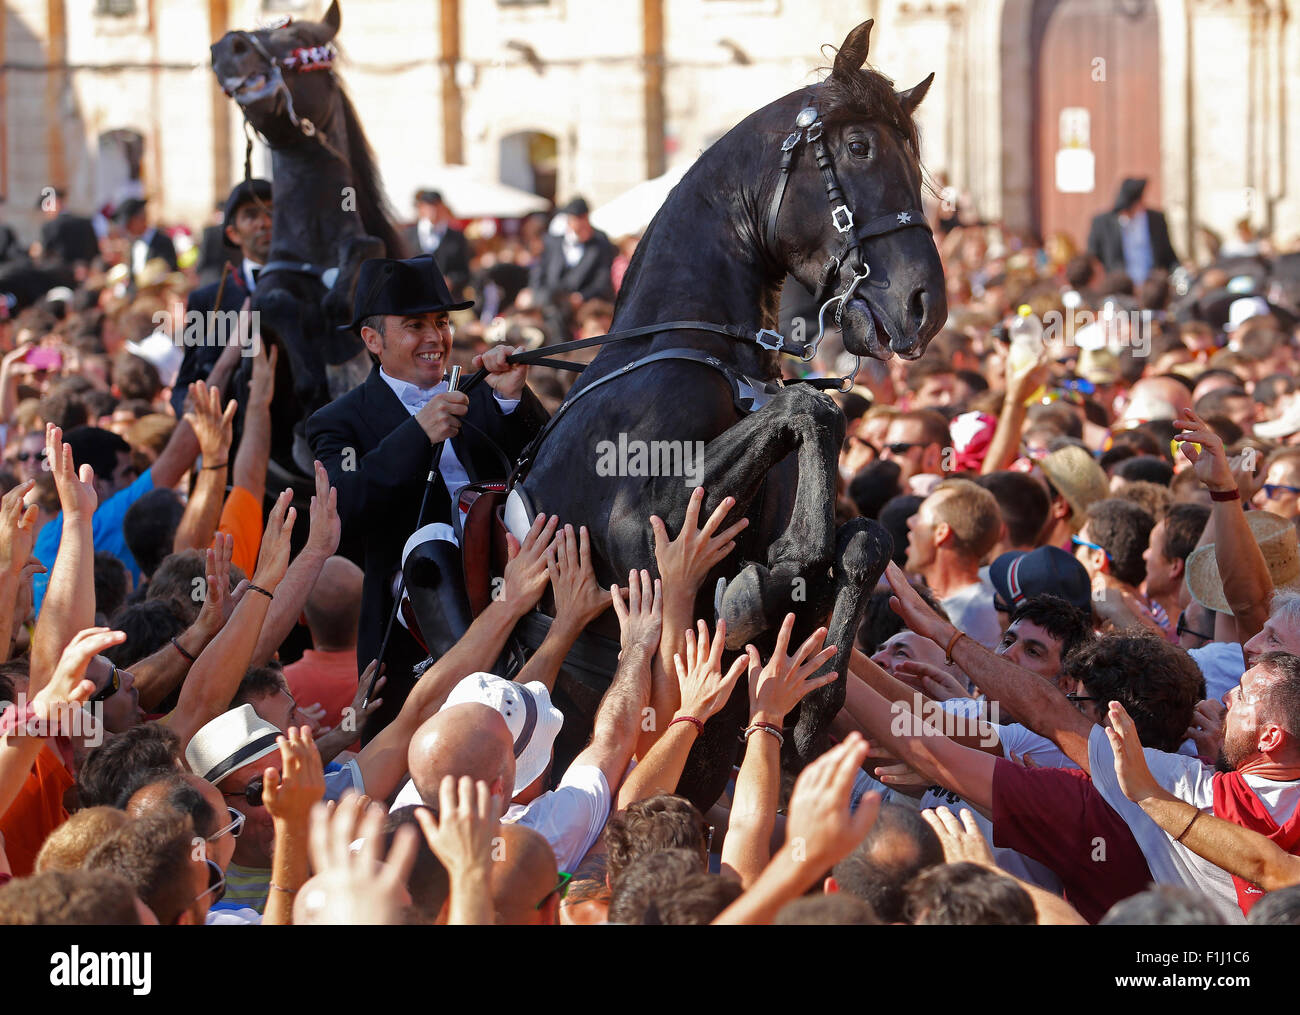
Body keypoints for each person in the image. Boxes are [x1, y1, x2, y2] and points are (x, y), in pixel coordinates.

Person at [306, 254, 549, 728]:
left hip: (521, 604)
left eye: (441, 321)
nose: (436, 338)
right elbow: (345, 506)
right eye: (415, 325)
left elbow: (544, 467)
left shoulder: (478, 391)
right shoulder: (337, 421)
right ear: (372, 339)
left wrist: (510, 398)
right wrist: (416, 434)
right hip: (409, 635)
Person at [171, 179, 272, 417]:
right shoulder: (208, 300)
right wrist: (186, 407)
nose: (265, 223)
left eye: (272, 212)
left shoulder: (308, 291)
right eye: (251, 215)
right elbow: (186, 382)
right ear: (233, 233)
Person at [904, 479, 1003, 649]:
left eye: (919, 517)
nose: (910, 523)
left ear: (941, 533)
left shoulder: (977, 617)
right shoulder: (981, 607)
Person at [1085, 177, 1179, 283]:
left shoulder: (1156, 220)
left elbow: (1169, 255)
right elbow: (1093, 258)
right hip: (1119, 286)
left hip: (1151, 286)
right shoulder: (1102, 223)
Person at [530, 198, 616, 305]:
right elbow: (539, 272)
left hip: (584, 302)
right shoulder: (552, 242)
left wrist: (582, 296)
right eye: (576, 219)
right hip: (551, 299)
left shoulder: (599, 243)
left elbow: (602, 280)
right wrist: (536, 295)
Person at [406, 190, 472, 300]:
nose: (433, 210)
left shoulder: (457, 237)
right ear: (421, 208)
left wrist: (451, 281)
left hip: (448, 300)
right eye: (429, 206)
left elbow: (465, 271)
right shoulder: (407, 236)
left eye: (436, 205)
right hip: (414, 299)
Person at [34, 189, 99, 269]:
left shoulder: (50, 226)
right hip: (87, 273)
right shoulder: (86, 222)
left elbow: (44, 255)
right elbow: (96, 250)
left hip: (59, 276)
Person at [115, 198, 178, 280]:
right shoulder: (133, 245)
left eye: (129, 224)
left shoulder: (163, 242)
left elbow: (169, 272)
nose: (127, 230)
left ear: (140, 219)